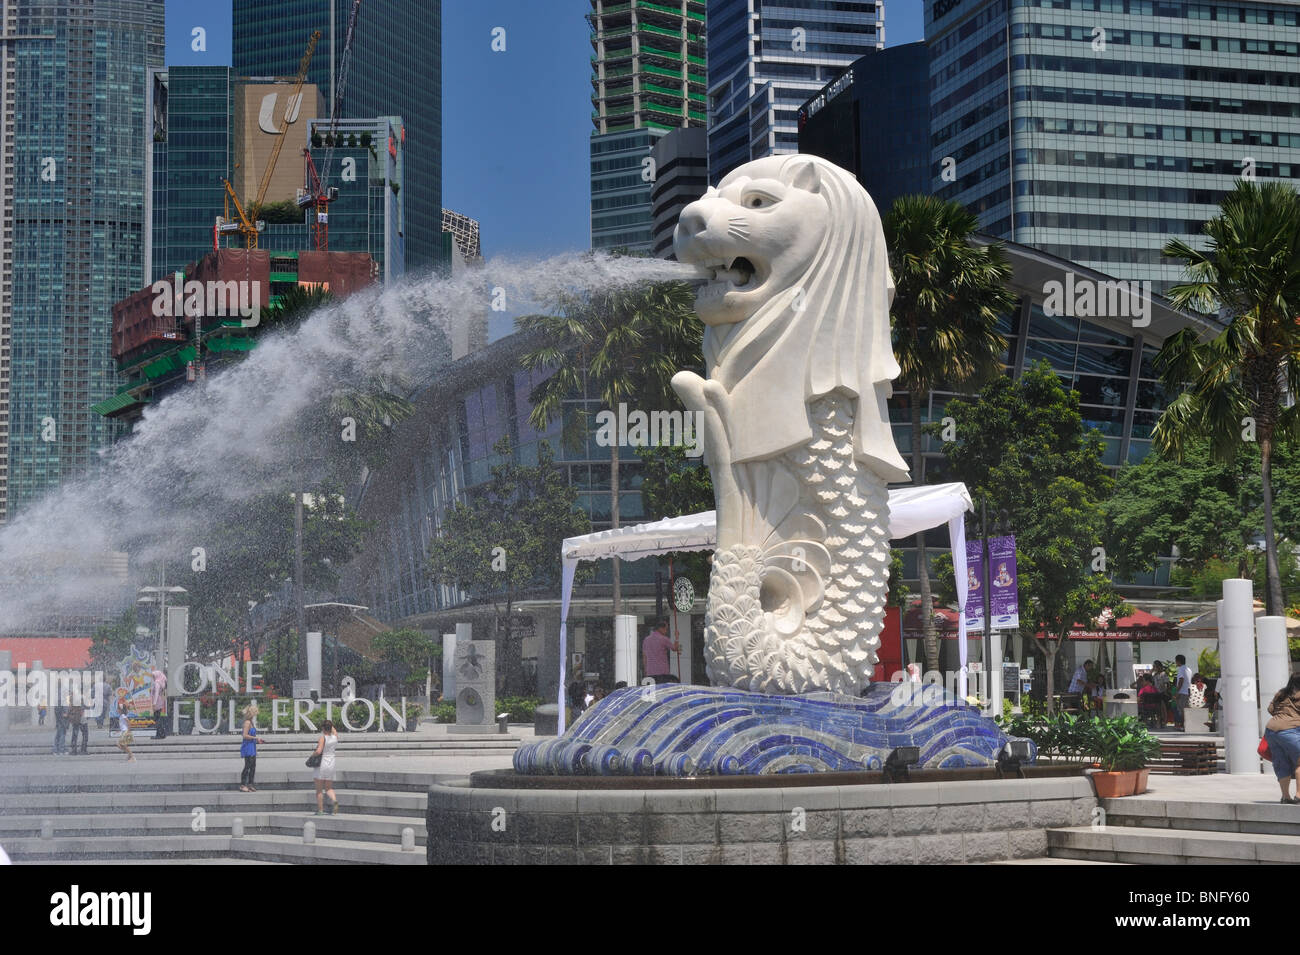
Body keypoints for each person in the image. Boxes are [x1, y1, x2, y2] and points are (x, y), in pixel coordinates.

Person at [1263, 673, 1300, 804]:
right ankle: (1299, 795)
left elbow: (1270, 709)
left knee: (1281, 763)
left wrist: (1282, 714)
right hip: (1291, 729)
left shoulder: (1281, 693)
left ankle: (1286, 797)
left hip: (1271, 730)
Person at [311, 719, 340, 815]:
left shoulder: (323, 738)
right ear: (331, 728)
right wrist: (330, 726)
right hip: (331, 763)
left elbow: (319, 751)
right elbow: (335, 731)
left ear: (323, 728)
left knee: (319, 789)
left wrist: (313, 755)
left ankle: (320, 810)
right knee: (328, 788)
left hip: (322, 763)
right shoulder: (335, 737)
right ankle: (334, 801)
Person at [642, 619, 680, 684]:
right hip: (662, 672)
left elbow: (644, 656)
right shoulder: (664, 639)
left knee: (653, 691)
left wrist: (645, 669)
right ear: (661, 628)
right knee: (661, 691)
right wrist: (676, 637)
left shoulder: (646, 640)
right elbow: (675, 648)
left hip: (650, 671)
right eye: (666, 629)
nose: (666, 631)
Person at [239, 703, 261, 792]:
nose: (256, 715)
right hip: (248, 747)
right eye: (255, 713)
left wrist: (257, 740)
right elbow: (244, 735)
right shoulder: (247, 723)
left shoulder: (251, 722)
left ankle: (250, 784)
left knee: (253, 766)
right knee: (247, 766)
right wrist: (255, 738)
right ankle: (243, 784)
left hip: (252, 746)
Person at [1173, 654, 1193, 730]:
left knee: (1182, 710)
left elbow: (1181, 680)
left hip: (1182, 692)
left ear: (1178, 661)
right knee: (1185, 709)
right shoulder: (1188, 669)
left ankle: (1184, 726)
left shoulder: (1181, 669)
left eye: (1176, 661)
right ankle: (1185, 725)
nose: (1175, 663)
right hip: (1187, 692)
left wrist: (1177, 692)